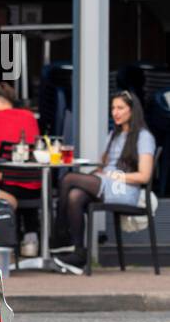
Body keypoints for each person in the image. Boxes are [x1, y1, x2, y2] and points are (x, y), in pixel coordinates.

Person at [57, 91, 158, 267]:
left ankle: (58, 236)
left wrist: (112, 175)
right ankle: (80, 253)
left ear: (132, 110)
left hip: (125, 190)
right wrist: (100, 173)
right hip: (107, 183)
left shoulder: (144, 137)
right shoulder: (114, 135)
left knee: (69, 178)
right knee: (75, 195)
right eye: (113, 108)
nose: (115, 112)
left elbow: (144, 176)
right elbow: (104, 166)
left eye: (120, 108)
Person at [0, 82, 41, 252]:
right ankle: (31, 238)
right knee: (21, 181)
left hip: (4, 185)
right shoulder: (30, 116)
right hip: (36, 183)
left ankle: (6, 243)